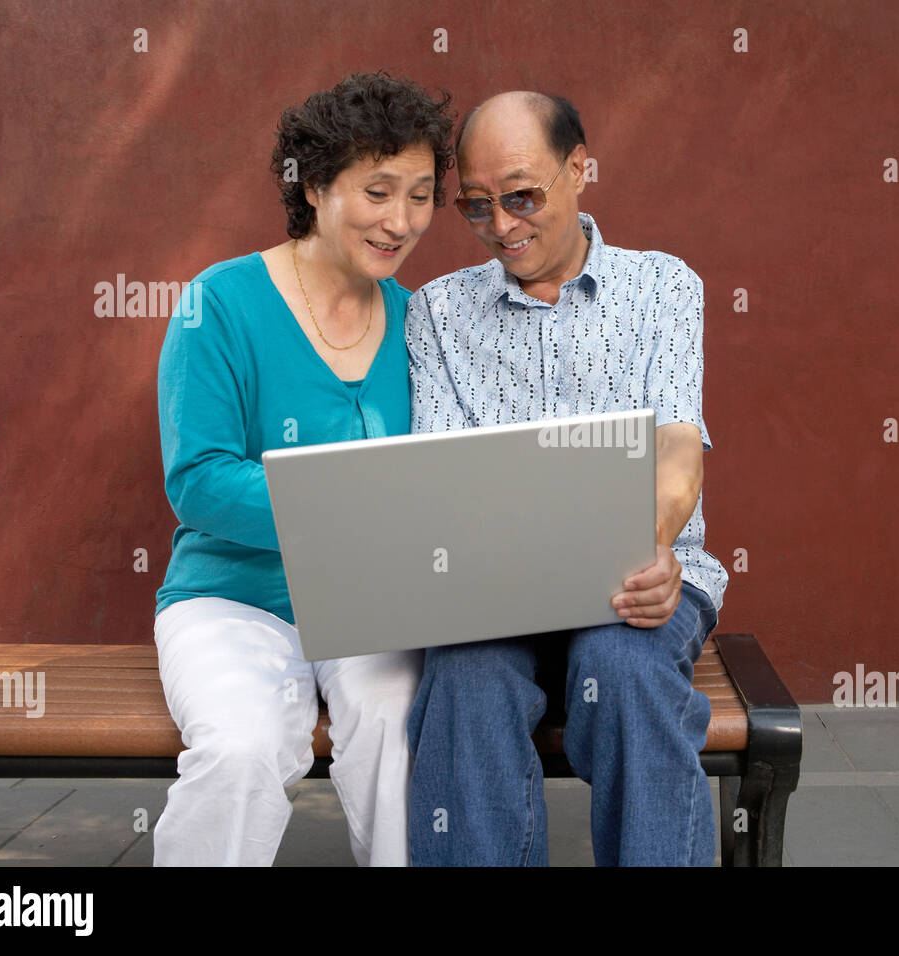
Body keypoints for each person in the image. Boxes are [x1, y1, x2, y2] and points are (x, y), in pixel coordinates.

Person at [403, 91, 729, 866]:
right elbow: (440, 480)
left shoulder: (663, 289)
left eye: (522, 196)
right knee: (466, 678)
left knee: (625, 669)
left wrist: (648, 548)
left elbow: (680, 447)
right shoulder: (438, 312)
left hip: (637, 580)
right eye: (477, 207)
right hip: (493, 594)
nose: (503, 228)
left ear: (580, 169)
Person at [152, 71, 454, 866]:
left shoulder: (418, 320)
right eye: (378, 190)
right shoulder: (217, 303)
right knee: (243, 748)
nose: (400, 221)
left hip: (372, 600)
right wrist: (349, 502)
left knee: (401, 729)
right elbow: (200, 481)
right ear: (314, 187)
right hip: (232, 597)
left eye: (420, 195)